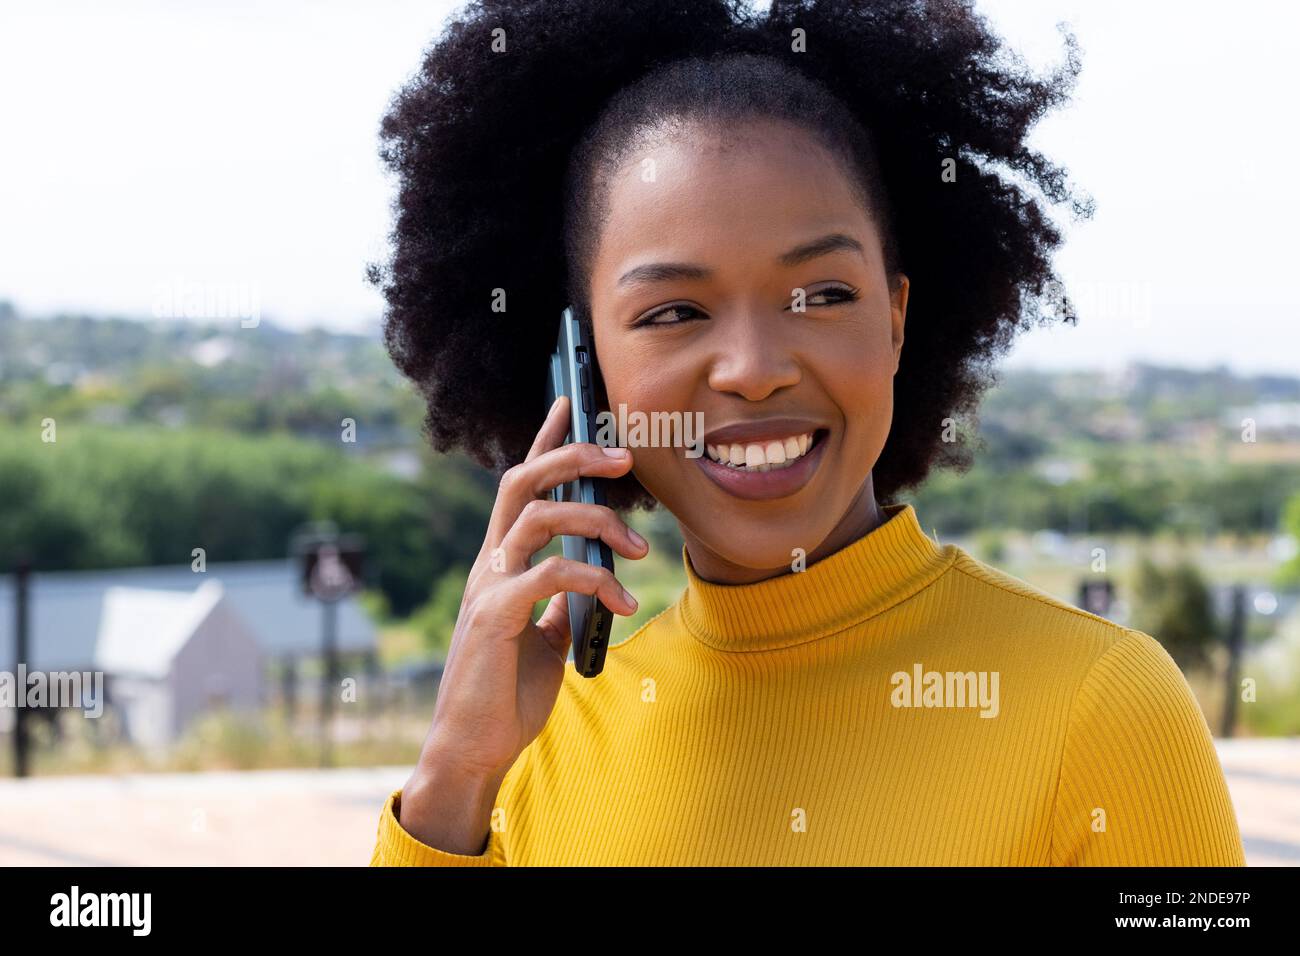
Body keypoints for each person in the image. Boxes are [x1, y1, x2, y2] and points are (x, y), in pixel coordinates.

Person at [365, 0, 1245, 865]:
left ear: (897, 320)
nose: (753, 367)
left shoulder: (1101, 706)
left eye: (822, 295)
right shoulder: (535, 743)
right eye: (674, 311)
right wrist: (455, 777)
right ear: (585, 370)